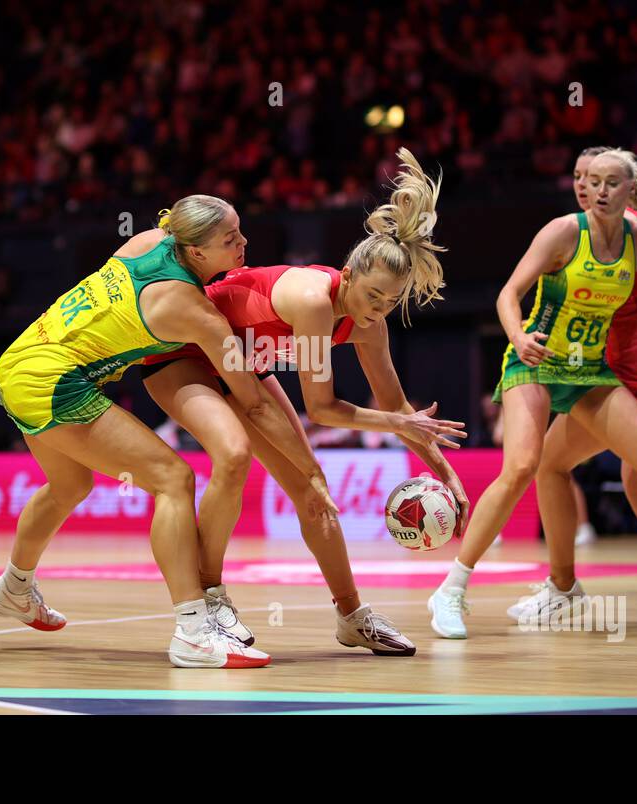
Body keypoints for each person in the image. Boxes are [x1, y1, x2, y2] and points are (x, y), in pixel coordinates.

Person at [0, 193, 339, 668]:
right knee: (173, 479)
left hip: (19, 362)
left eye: (240, 230)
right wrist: (310, 469)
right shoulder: (194, 311)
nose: (243, 242)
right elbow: (253, 405)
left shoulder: (147, 239)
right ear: (195, 252)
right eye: (229, 239)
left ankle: (13, 586)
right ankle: (193, 629)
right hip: (53, 382)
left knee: (70, 484)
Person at [138, 149, 464, 656]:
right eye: (374, 295)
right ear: (348, 276)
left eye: (391, 302)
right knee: (235, 459)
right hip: (184, 354)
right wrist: (401, 422)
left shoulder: (369, 326)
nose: (379, 309)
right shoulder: (315, 300)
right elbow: (323, 409)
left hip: (242, 366)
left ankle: (352, 616)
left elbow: (398, 407)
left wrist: (445, 471)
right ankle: (209, 598)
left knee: (315, 494)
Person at [428, 148, 637, 637]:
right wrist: (518, 337)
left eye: (610, 183)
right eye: (590, 181)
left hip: (590, 373)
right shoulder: (564, 231)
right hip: (535, 362)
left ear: (630, 191)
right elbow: (507, 293)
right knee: (523, 466)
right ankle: (451, 592)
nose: (598, 191)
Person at [499, 145, 637, 629]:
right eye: (580, 177)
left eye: (599, 179)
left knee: (565, 467)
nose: (587, 186)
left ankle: (565, 589)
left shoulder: (629, 234)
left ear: (626, 189)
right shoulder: (608, 227)